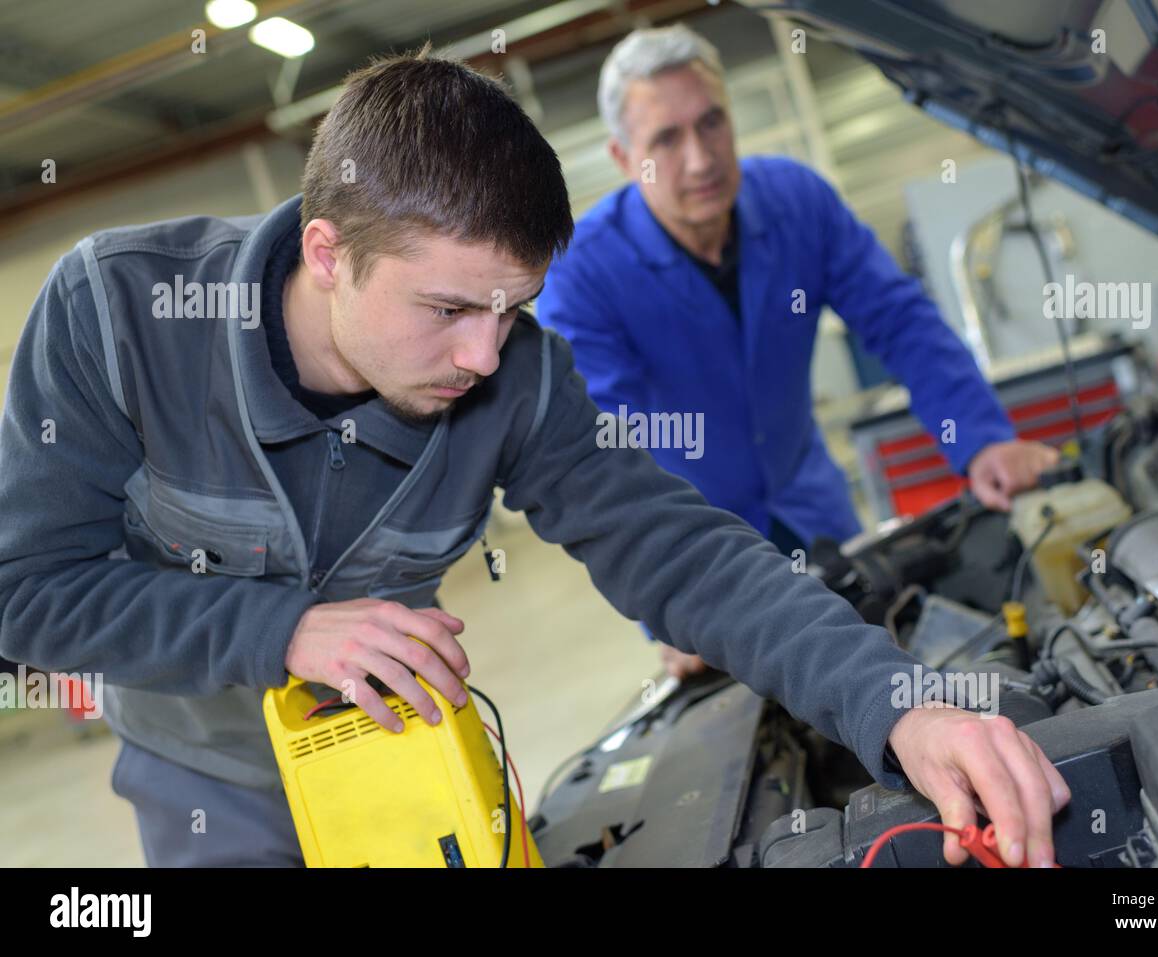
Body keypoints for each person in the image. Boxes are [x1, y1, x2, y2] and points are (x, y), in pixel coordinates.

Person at [0, 45, 1067, 869]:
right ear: (329, 254)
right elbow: (26, 592)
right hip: (211, 786)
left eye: (510, 310)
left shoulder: (519, 370)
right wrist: (283, 630)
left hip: (416, 764)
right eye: (450, 307)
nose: (483, 356)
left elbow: (680, 551)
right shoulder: (118, 314)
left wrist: (897, 704)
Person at [536, 25, 1060, 678]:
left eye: (712, 123)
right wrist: (667, 601)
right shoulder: (583, 274)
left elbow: (899, 320)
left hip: (815, 512)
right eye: (665, 140)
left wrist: (983, 439)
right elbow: (596, 460)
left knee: (881, 669)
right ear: (622, 156)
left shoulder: (796, 201)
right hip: (697, 556)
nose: (699, 159)